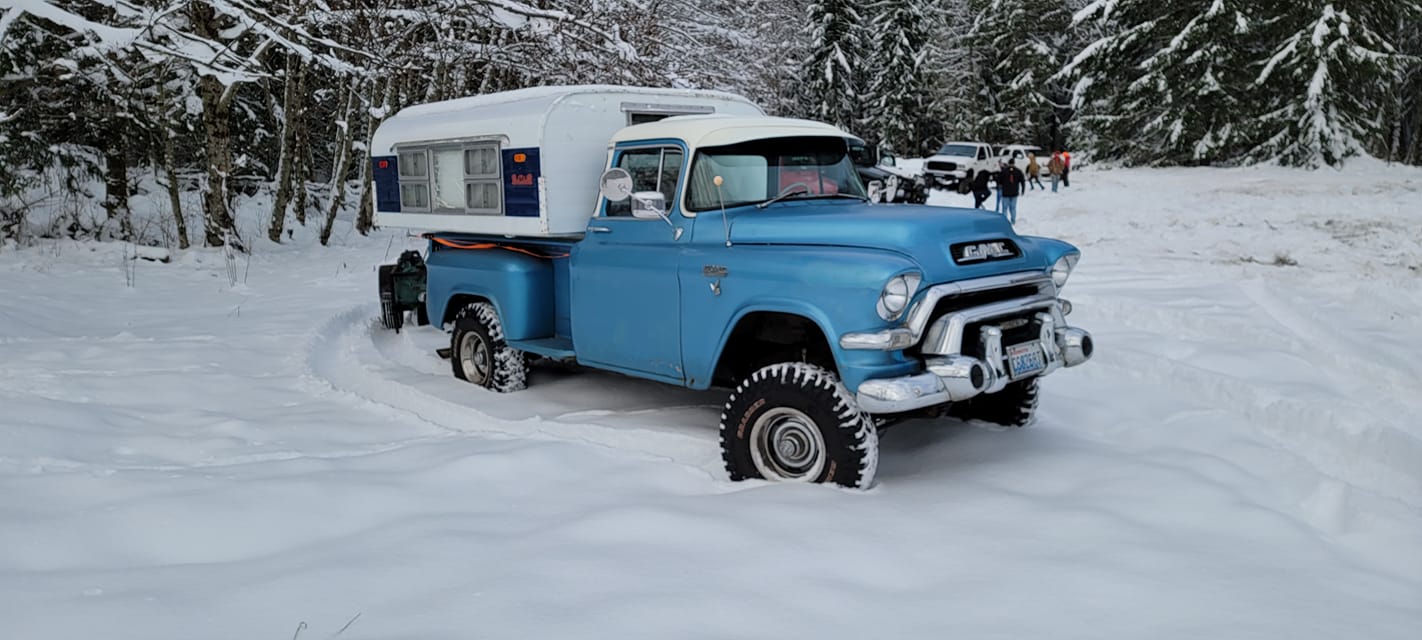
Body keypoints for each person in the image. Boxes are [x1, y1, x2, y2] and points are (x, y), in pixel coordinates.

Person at [998, 158, 1025, 224]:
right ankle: (1013, 220)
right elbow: (1022, 181)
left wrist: (1000, 187)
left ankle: (1004, 221)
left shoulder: (1004, 171)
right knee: (1013, 208)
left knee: (1004, 208)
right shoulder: (1018, 171)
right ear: (1014, 163)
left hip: (1005, 192)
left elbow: (999, 180)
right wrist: (1022, 190)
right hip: (1014, 192)